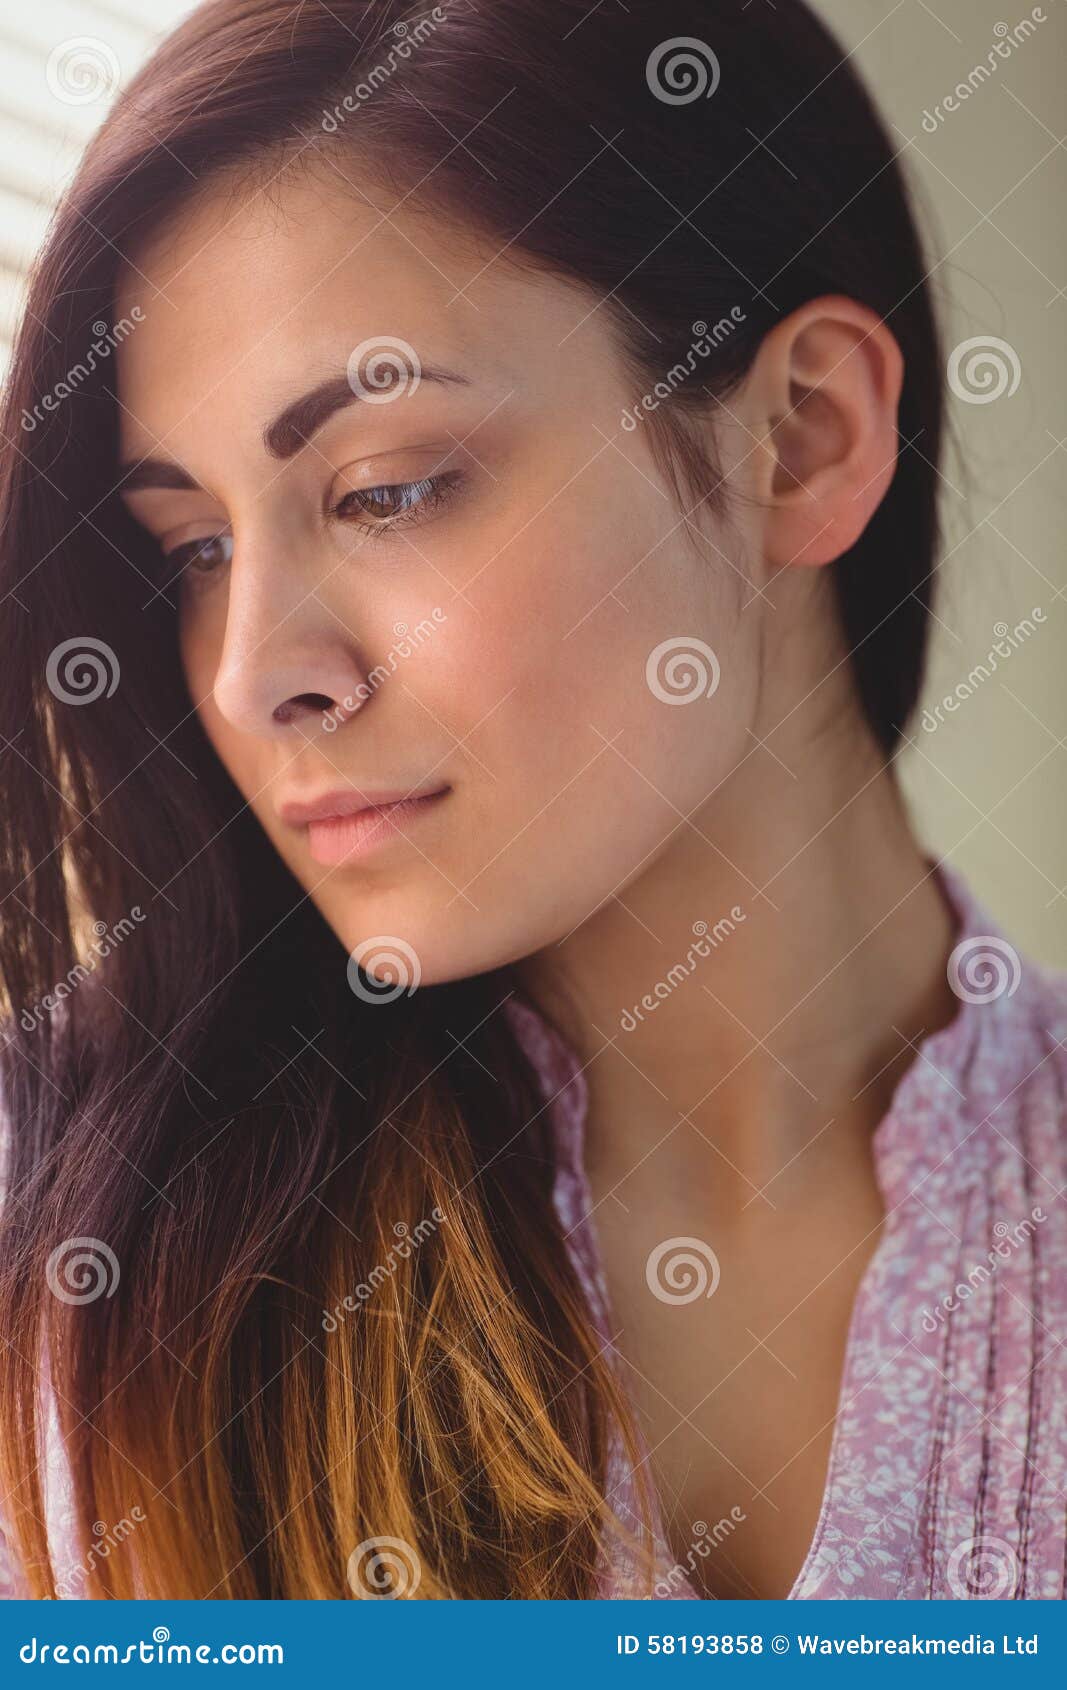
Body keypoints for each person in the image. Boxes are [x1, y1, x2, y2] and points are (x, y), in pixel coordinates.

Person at [0, 0, 1063, 1601]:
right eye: (195, 549)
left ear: (802, 437)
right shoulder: (57, 1229)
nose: (247, 674)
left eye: (386, 489)